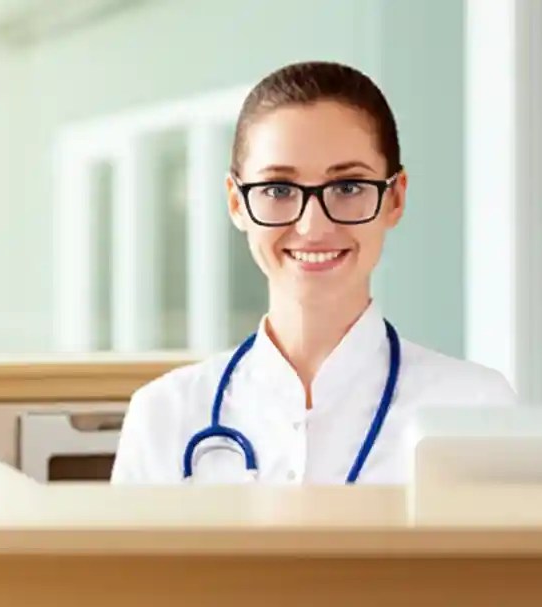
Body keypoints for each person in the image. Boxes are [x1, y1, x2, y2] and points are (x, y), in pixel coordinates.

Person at [110, 60, 516, 485]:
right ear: (236, 202)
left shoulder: (474, 409)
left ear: (394, 198)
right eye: (279, 190)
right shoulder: (163, 417)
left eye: (347, 188)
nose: (313, 227)